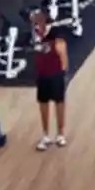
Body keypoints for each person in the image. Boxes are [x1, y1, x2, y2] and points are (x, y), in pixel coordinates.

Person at [30, 11, 69, 151]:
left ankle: (60, 134)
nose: (35, 26)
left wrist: (62, 75)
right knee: (43, 104)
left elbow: (64, 58)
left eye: (37, 23)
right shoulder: (36, 35)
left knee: (59, 104)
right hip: (42, 76)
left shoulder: (57, 37)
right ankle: (45, 135)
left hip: (56, 75)